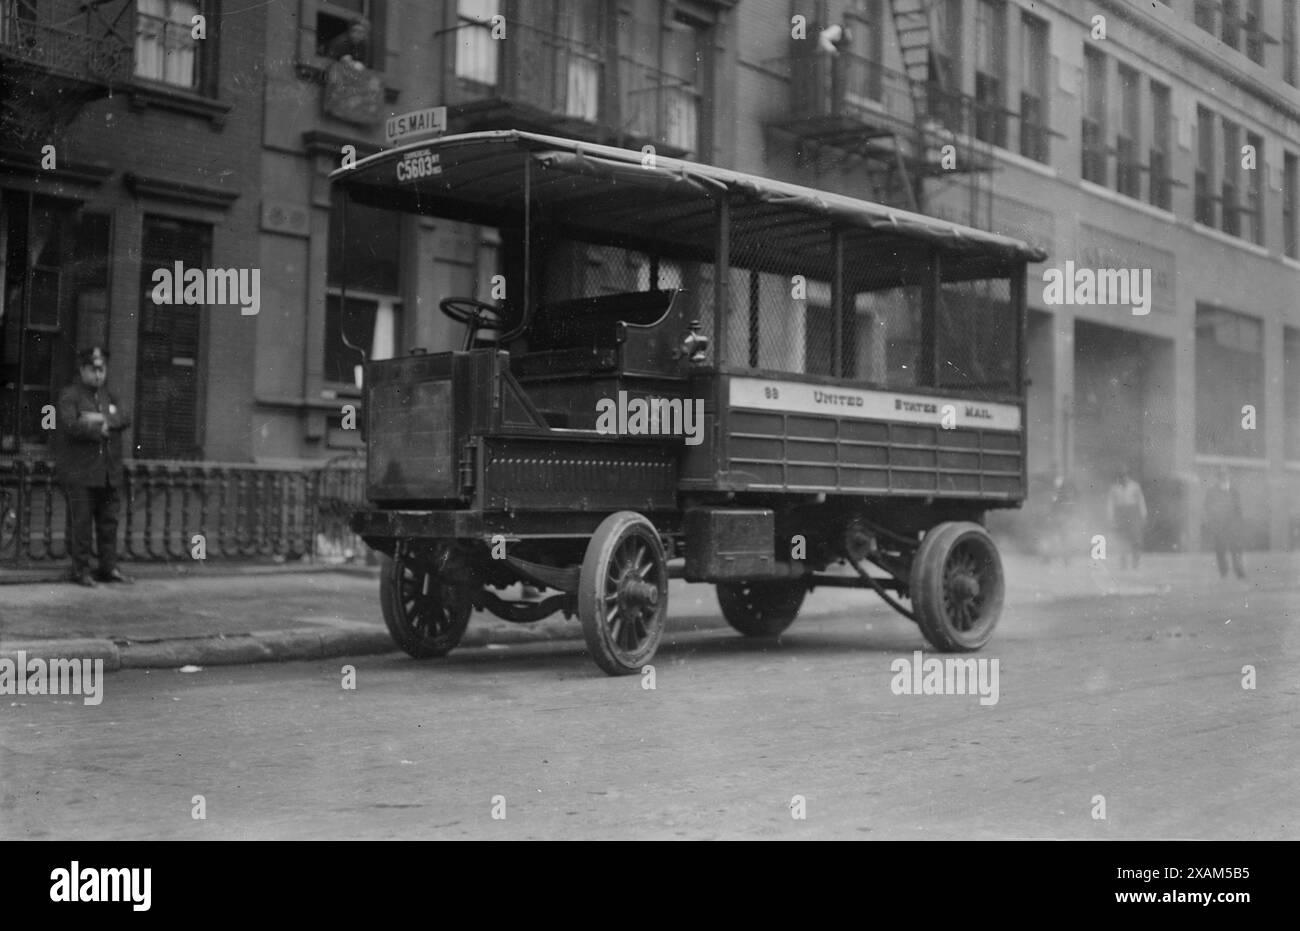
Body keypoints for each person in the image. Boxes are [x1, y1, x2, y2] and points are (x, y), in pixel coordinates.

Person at [54, 347, 132, 586]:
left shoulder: (111, 396)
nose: (98, 375)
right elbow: (70, 425)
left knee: (109, 524)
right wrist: (104, 426)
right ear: (82, 370)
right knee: (82, 525)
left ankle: (108, 568)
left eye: (102, 369)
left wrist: (97, 420)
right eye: (93, 369)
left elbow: (126, 416)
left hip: (108, 474)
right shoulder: (71, 395)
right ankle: (81, 570)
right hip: (82, 474)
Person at [1204, 466, 1246, 579]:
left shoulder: (1234, 491)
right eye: (1221, 476)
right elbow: (1208, 507)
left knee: (1236, 549)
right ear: (1218, 478)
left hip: (1232, 526)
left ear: (1228, 477)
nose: (1224, 478)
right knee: (1220, 550)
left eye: (1226, 476)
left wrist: (1238, 524)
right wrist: (1214, 522)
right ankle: (1224, 572)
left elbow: (1238, 509)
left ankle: (1239, 571)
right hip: (1219, 527)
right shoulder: (1212, 492)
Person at [1106, 466, 1148, 570]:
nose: (1122, 478)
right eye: (1120, 476)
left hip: (1133, 513)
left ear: (1128, 476)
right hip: (1120, 514)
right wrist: (1110, 518)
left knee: (1136, 539)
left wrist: (1143, 515)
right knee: (1122, 540)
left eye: (1124, 475)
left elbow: (1141, 501)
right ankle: (1123, 563)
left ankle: (1136, 562)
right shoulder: (1114, 489)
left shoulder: (1135, 487)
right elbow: (1110, 504)